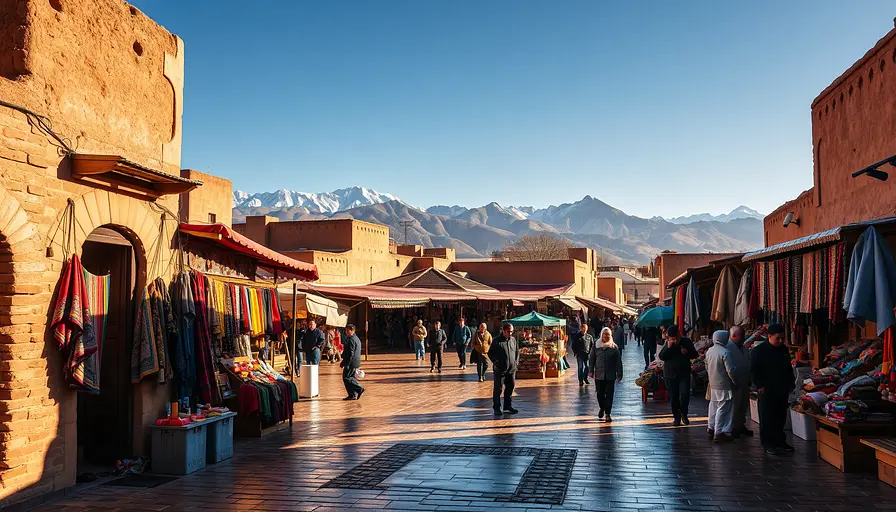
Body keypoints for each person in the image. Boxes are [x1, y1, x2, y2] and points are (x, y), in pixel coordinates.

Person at [750, 323, 795, 455]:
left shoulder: (783, 350)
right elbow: (754, 370)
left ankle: (780, 441)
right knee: (767, 416)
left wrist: (790, 383)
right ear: (769, 336)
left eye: (782, 338)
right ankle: (768, 443)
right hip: (767, 389)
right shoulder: (759, 351)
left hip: (782, 387)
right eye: (777, 338)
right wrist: (759, 385)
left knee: (780, 416)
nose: (780, 341)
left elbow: (788, 368)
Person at [659, 324, 697, 426]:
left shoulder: (686, 342)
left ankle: (684, 414)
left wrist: (687, 353)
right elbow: (661, 356)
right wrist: (668, 347)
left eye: (675, 338)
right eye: (672, 338)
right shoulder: (668, 343)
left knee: (684, 394)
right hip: (670, 374)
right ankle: (676, 417)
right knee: (673, 397)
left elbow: (695, 354)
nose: (674, 340)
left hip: (683, 373)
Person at [705, 330, 739, 443]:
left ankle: (711, 428)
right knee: (723, 408)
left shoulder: (709, 351)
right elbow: (730, 371)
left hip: (712, 383)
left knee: (713, 406)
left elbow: (706, 366)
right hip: (723, 384)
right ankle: (718, 432)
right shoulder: (725, 352)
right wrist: (735, 381)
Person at [727, 325, 758, 438]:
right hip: (733, 382)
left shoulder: (743, 347)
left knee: (743, 404)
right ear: (734, 335)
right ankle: (734, 427)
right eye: (741, 335)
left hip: (744, 380)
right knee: (735, 405)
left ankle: (741, 425)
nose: (743, 338)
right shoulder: (727, 347)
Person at [589, 327, 623, 421]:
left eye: (608, 334)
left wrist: (619, 373)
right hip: (599, 374)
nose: (606, 336)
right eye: (604, 334)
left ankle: (608, 413)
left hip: (610, 375)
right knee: (599, 394)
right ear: (601, 335)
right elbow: (592, 359)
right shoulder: (596, 345)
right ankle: (602, 407)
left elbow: (618, 361)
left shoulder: (614, 347)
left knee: (609, 394)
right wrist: (590, 370)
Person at [488, 323, 520, 415]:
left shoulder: (513, 340)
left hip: (511, 369)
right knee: (498, 389)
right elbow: (491, 353)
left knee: (510, 387)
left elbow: (517, 352)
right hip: (500, 370)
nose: (510, 333)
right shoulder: (497, 341)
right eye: (509, 331)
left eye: (511, 331)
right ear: (504, 331)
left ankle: (507, 407)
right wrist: (496, 362)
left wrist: (515, 363)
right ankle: (497, 408)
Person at [340, 324, 365, 400]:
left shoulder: (351, 340)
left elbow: (350, 353)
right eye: (346, 331)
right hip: (354, 361)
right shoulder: (356, 338)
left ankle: (359, 389)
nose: (346, 332)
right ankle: (352, 394)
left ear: (352, 331)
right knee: (350, 377)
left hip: (351, 362)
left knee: (346, 377)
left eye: (348, 331)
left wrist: (345, 362)